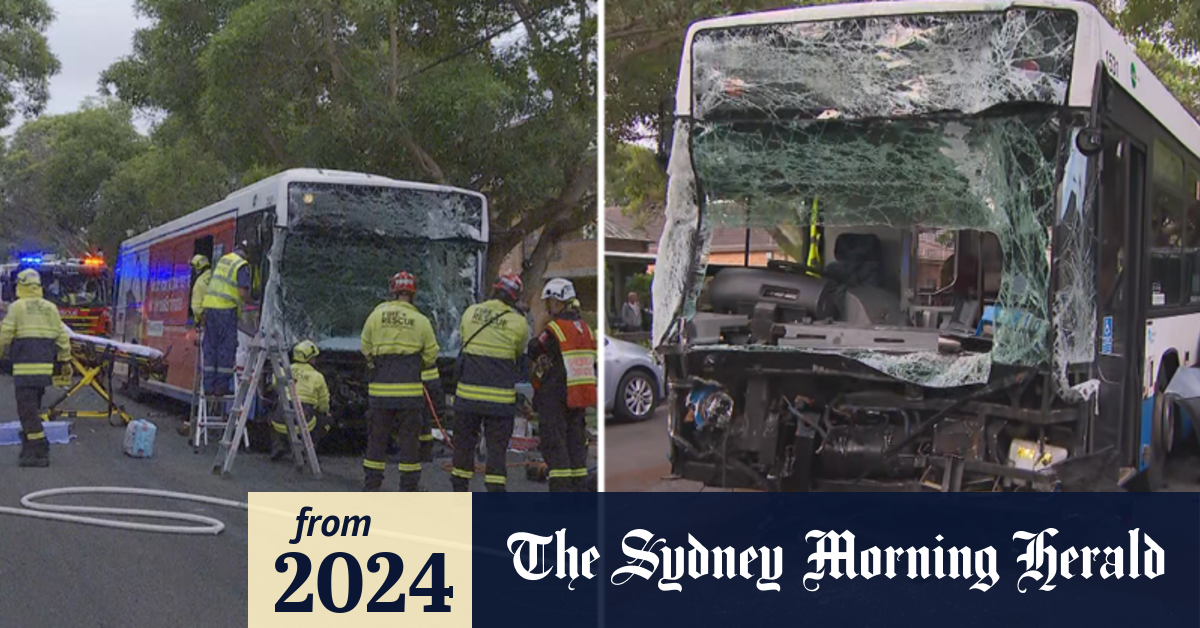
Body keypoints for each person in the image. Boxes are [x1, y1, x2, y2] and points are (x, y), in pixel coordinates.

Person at [360, 271, 439, 492]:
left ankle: (372, 485)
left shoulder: (376, 316)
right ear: (413, 294)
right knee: (409, 444)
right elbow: (431, 355)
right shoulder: (421, 321)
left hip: (380, 393)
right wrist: (414, 367)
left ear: (393, 292)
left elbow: (365, 347)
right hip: (410, 395)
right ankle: (408, 487)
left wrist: (377, 363)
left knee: (377, 440)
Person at [451, 273, 529, 492]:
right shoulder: (519, 323)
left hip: (467, 397)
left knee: (463, 447)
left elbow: (465, 340)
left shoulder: (470, 313)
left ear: (494, 290)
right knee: (497, 451)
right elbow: (518, 353)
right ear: (515, 298)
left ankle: (459, 492)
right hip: (500, 401)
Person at [528, 279, 596, 491]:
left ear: (558, 302)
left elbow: (533, 350)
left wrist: (539, 324)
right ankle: (580, 492)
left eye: (549, 302)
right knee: (576, 445)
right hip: (578, 396)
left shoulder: (555, 329)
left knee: (555, 448)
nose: (547, 307)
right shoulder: (585, 329)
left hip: (555, 396)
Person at [0, 269, 71, 467]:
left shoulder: (17, 307)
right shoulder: (50, 308)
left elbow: (5, 334)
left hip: (24, 368)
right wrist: (65, 359)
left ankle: (38, 448)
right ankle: (30, 443)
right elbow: (62, 335)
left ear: (20, 286)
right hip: (44, 368)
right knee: (33, 408)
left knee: (26, 410)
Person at [200, 243, 251, 396]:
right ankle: (221, 387)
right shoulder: (241, 265)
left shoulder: (223, 260)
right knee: (226, 349)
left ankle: (208, 386)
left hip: (210, 308)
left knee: (210, 348)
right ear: (245, 255)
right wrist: (252, 301)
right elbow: (242, 292)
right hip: (226, 310)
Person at [269, 340, 331, 461]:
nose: (315, 360)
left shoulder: (285, 370)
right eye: (314, 357)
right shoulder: (318, 376)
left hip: (281, 418)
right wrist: (324, 411)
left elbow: (274, 384)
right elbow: (324, 404)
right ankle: (308, 448)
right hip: (304, 419)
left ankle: (278, 446)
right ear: (309, 358)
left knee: (273, 411)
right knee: (326, 419)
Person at [190, 254, 212, 324]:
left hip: (204, 322)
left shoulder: (199, 283)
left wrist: (201, 319)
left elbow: (197, 309)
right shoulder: (216, 276)